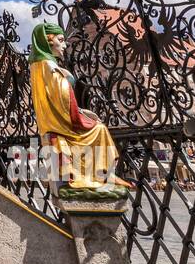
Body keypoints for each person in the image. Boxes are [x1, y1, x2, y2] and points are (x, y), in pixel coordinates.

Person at [29, 22, 131, 191]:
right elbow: (62, 96)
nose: (64, 44)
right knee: (100, 129)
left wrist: (81, 110)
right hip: (61, 122)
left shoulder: (39, 65)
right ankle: (102, 172)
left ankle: (103, 172)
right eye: (60, 40)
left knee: (98, 127)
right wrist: (68, 82)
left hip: (55, 119)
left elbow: (57, 98)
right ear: (48, 41)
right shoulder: (48, 65)